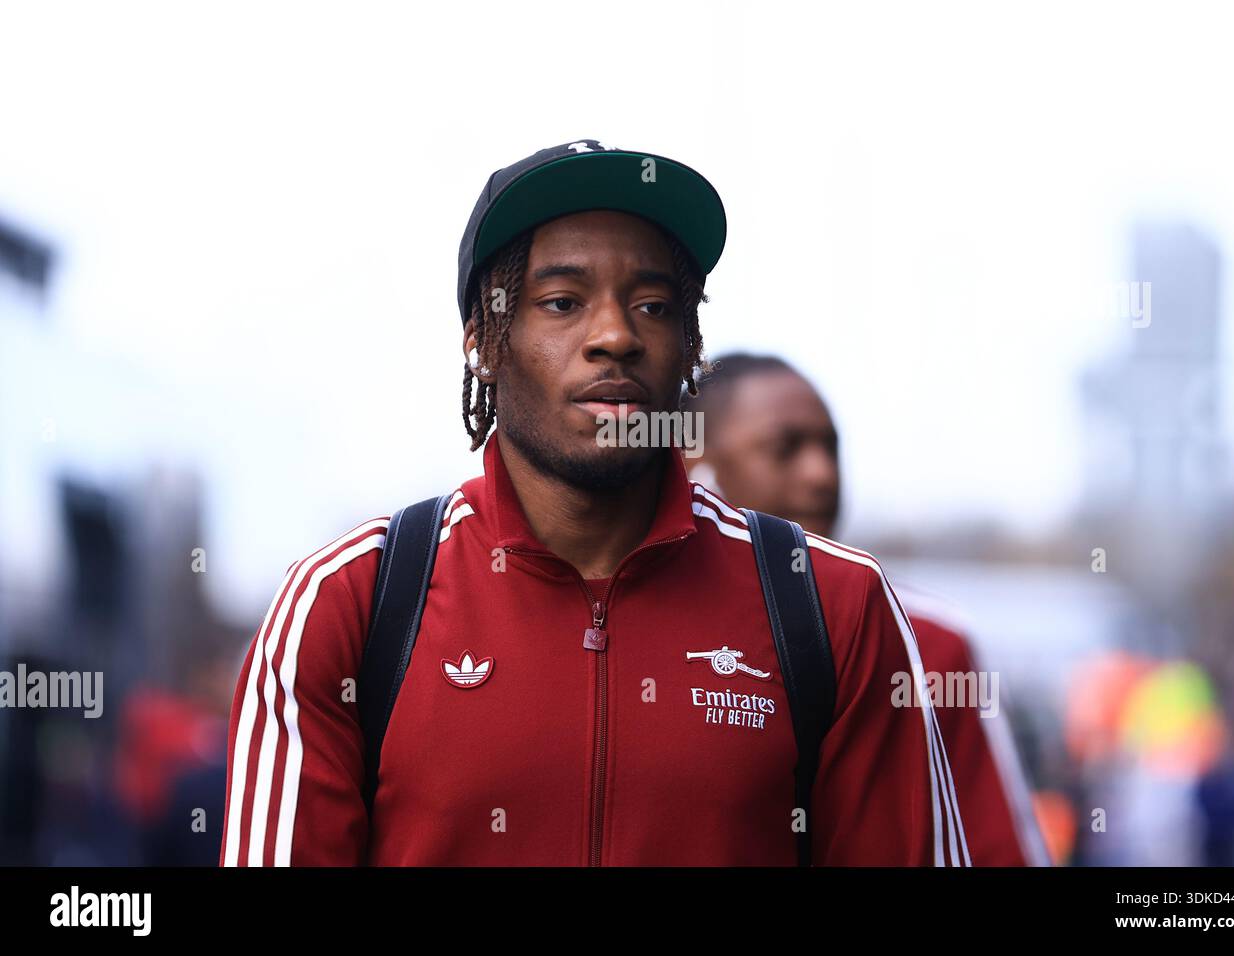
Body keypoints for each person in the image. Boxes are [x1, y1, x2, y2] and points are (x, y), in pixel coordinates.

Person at [220, 140, 965, 866]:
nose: (615, 336)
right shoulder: (347, 601)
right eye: (562, 301)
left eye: (653, 305)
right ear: (483, 339)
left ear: (691, 344)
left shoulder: (835, 604)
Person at [683, 353, 1051, 865]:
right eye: (785, 448)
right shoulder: (638, 623)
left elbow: (1001, 853)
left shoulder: (929, 641)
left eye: (830, 448)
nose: (821, 474)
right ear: (692, 464)